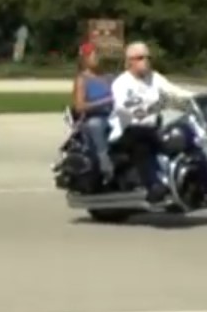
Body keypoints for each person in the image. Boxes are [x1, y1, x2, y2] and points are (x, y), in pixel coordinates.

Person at [110, 41, 192, 201]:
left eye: (148, 57)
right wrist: (138, 111)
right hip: (126, 132)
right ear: (129, 61)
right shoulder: (121, 83)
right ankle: (153, 185)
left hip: (152, 129)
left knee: (182, 134)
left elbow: (174, 91)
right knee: (141, 139)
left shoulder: (154, 78)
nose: (145, 61)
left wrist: (197, 97)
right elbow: (122, 106)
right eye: (140, 57)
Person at [70, 42, 116, 182]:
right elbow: (79, 106)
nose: (96, 58)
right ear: (84, 59)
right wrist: (105, 101)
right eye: (93, 55)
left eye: (97, 55)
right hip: (95, 117)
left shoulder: (109, 77)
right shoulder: (82, 79)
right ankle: (104, 162)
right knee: (95, 125)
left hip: (113, 115)